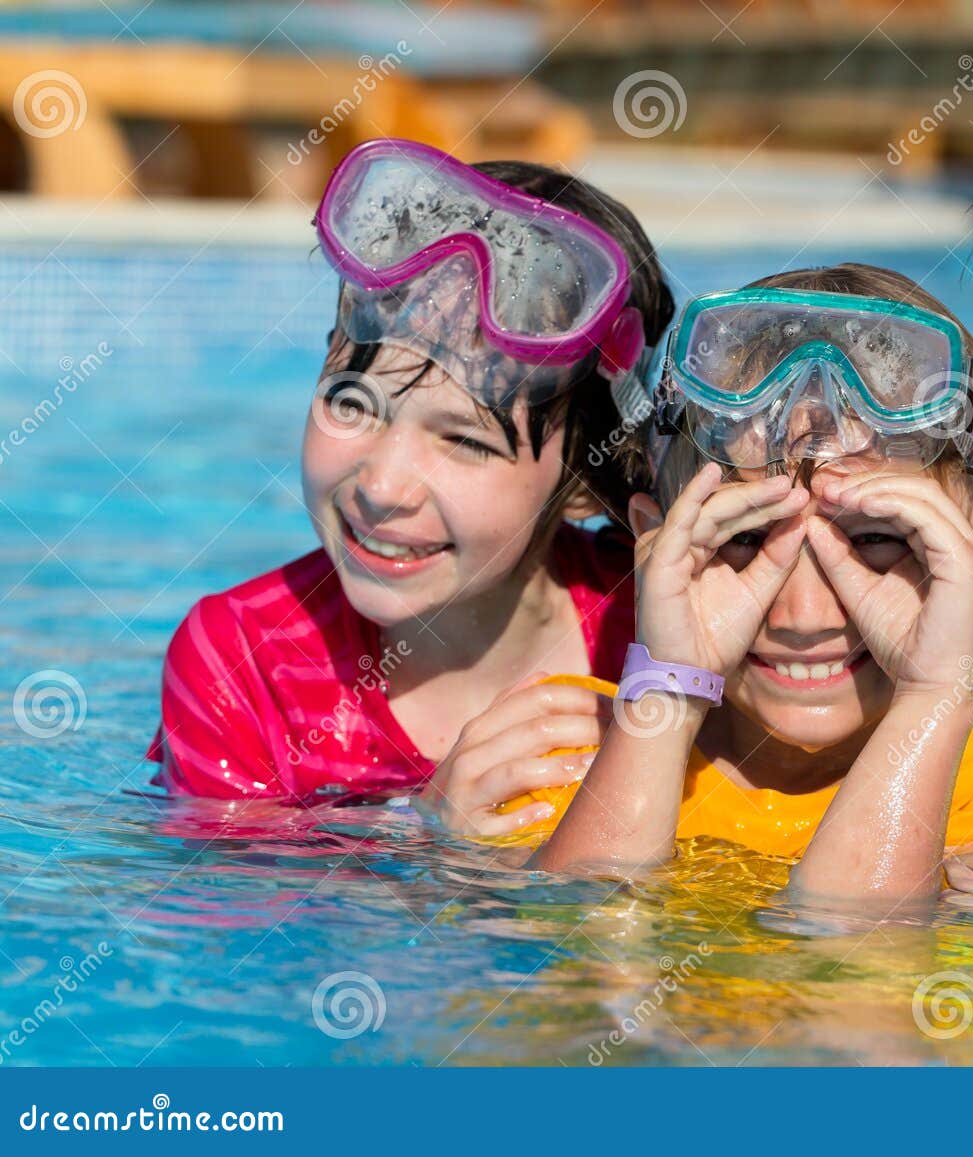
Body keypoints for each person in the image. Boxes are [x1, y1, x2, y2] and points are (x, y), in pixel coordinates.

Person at [435, 264, 973, 902]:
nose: (803, 614)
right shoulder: (560, 754)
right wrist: (666, 695)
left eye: (874, 540)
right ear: (653, 546)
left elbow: (846, 969)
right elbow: (583, 968)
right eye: (744, 538)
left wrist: (933, 699)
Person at [148, 138, 673, 801]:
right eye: (352, 403)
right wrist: (431, 834)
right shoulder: (244, 666)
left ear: (583, 484)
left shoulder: (654, 631)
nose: (381, 488)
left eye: (464, 441)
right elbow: (223, 866)